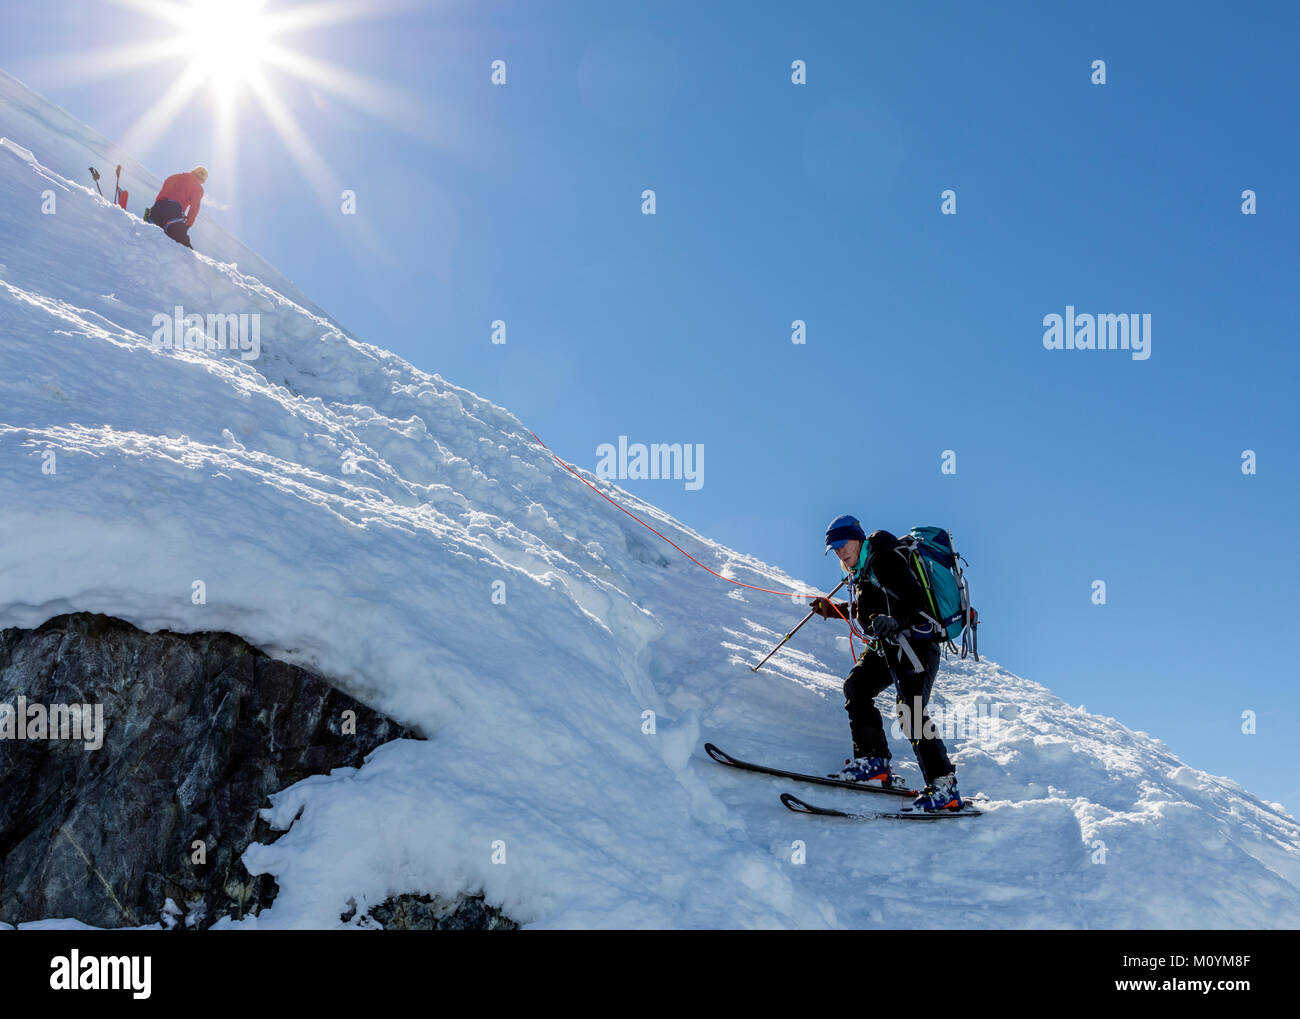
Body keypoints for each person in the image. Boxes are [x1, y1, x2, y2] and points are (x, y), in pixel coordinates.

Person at [808, 514, 962, 811]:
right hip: (888, 645)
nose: (840, 551)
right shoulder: (862, 571)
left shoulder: (883, 556)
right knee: (857, 687)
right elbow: (869, 608)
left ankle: (945, 786)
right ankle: (873, 762)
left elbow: (913, 598)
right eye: (834, 548)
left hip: (916, 643)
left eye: (843, 543)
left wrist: (894, 620)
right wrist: (831, 610)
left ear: (858, 538)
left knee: (911, 712)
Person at [149, 166, 207, 249]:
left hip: (157, 208)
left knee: (151, 237)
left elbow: (162, 193)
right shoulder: (198, 188)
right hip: (173, 213)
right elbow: (195, 206)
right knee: (184, 249)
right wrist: (188, 224)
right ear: (202, 181)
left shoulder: (175, 176)